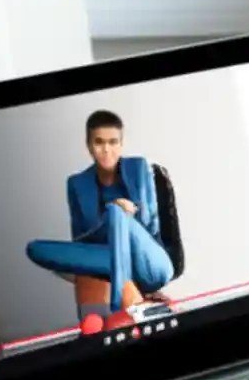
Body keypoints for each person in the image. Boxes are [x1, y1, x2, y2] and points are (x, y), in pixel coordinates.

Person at [26, 110, 173, 317]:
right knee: (35, 249)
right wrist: (107, 221)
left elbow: (151, 225)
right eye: (99, 142)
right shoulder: (76, 184)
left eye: (113, 142)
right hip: (108, 256)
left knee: (116, 212)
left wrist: (125, 213)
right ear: (89, 145)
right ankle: (121, 277)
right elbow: (81, 240)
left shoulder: (139, 168)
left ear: (121, 144)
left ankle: (118, 299)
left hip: (149, 261)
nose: (106, 150)